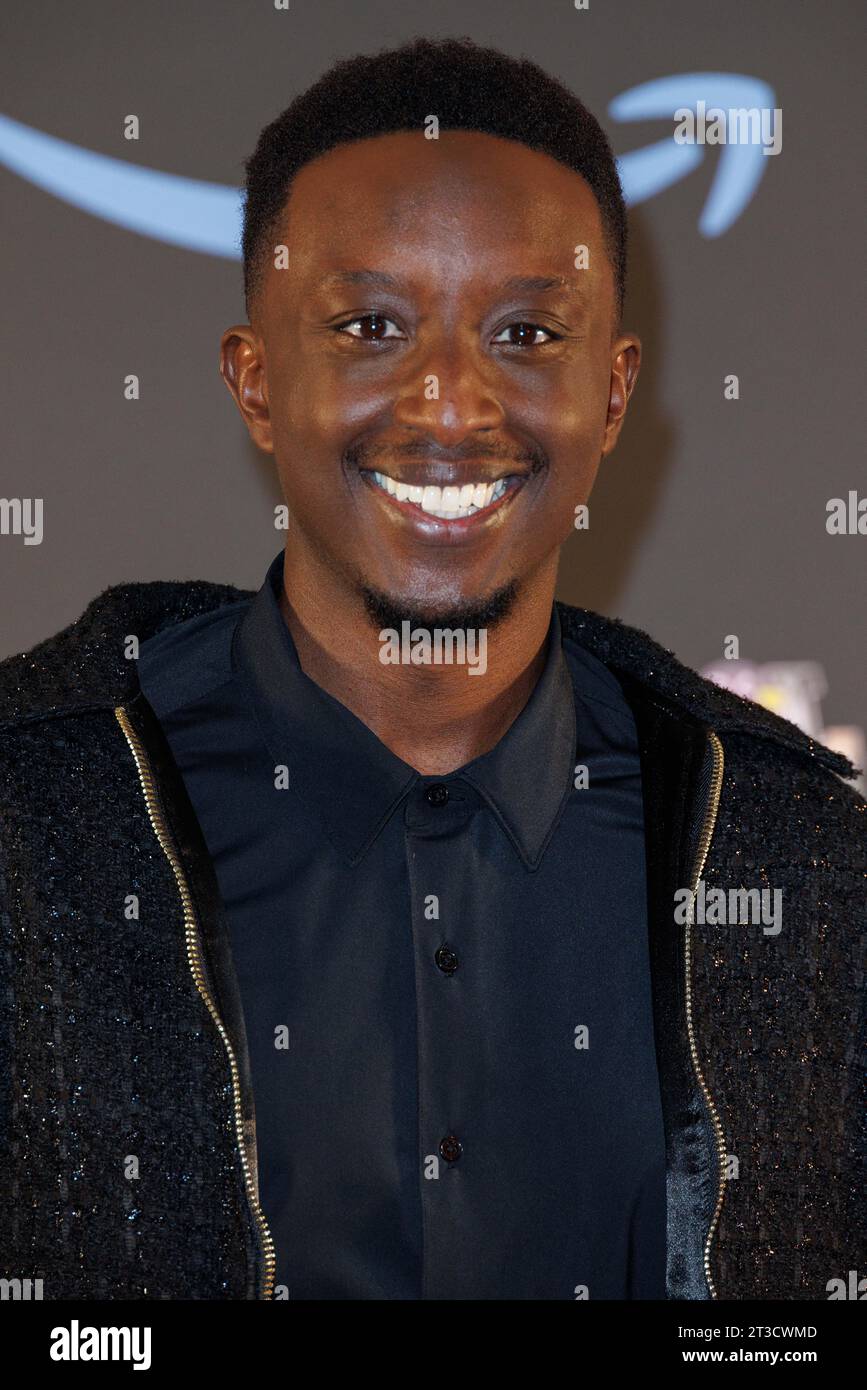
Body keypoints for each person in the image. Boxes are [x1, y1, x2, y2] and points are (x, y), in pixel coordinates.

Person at [0, 36, 862, 1302]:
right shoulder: (30, 824)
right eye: (368, 326)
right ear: (254, 381)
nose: (451, 403)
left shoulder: (800, 865)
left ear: (613, 395)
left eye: (525, 331)